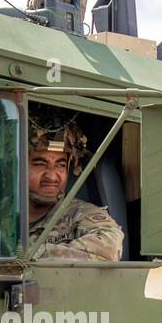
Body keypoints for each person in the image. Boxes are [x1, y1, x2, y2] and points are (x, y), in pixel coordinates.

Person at [27, 106, 123, 262]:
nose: (51, 176)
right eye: (40, 164)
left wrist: (23, 256)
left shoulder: (80, 214)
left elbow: (108, 249)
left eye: (60, 165)